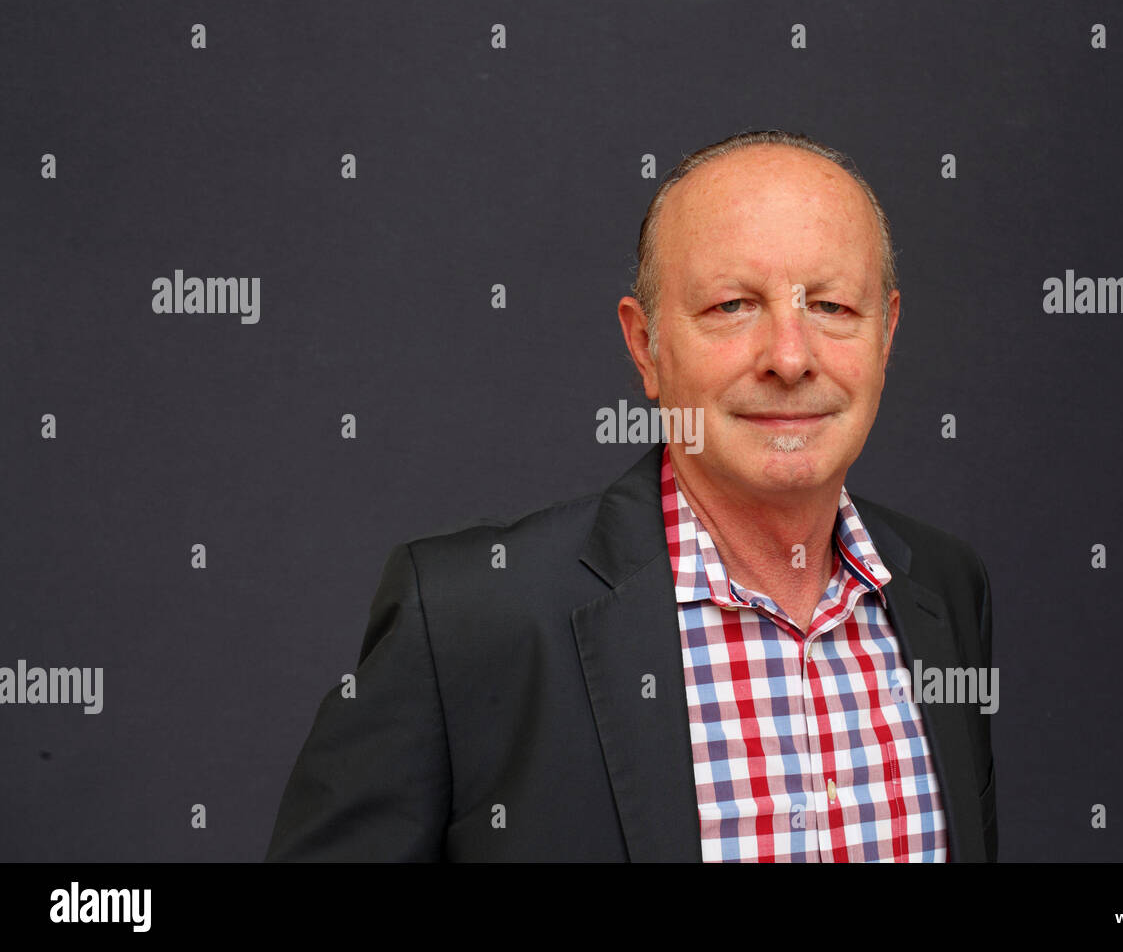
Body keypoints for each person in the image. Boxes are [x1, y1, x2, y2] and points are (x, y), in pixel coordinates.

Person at [266, 129, 997, 862]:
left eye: (833, 307)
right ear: (646, 346)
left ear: (887, 335)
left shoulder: (943, 590)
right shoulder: (466, 619)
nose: (789, 356)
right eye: (733, 306)